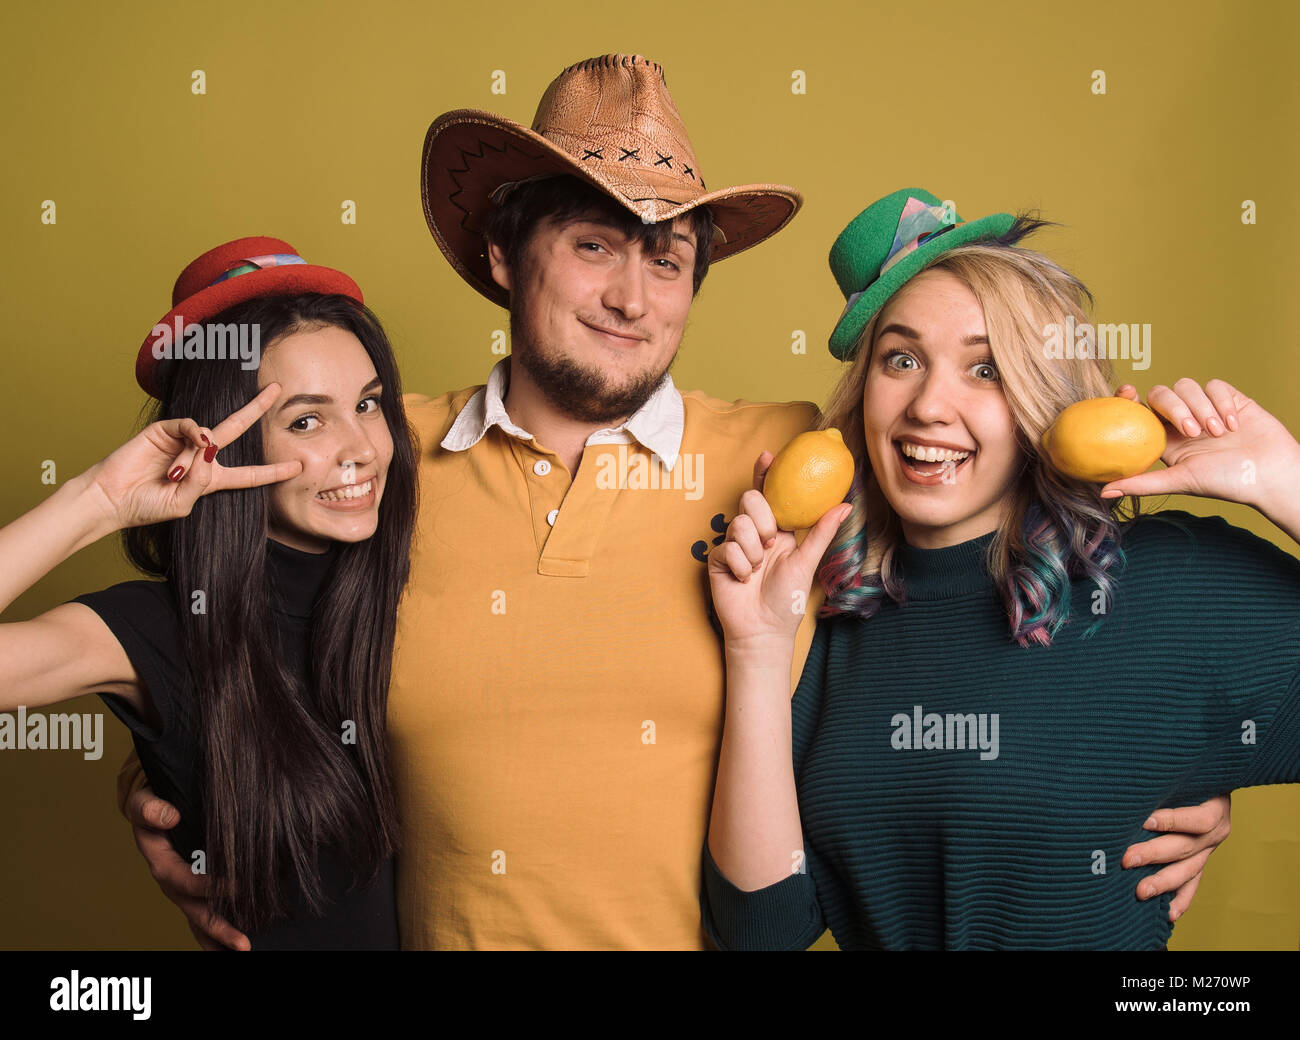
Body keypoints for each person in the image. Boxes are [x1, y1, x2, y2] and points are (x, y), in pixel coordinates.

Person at [125, 60, 1230, 950]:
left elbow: (989, 554)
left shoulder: (798, 457)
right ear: (505, 254)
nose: (629, 296)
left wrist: (1166, 771)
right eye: (594, 244)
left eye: (667, 257)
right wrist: (174, 782)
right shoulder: (379, 455)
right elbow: (226, 632)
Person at [703, 188, 1300, 949]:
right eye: (902, 359)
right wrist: (754, 646)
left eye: (985, 369)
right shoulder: (828, 609)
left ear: (1044, 402)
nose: (927, 405)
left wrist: (1290, 485)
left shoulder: (1164, 582)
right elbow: (761, 933)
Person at [1, 237, 418, 949]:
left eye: (370, 404)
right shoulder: (156, 631)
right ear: (226, 440)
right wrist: (98, 500)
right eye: (307, 420)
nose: (361, 448)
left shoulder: (421, 573)